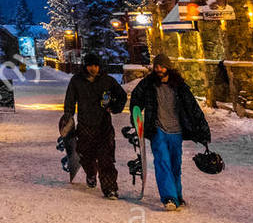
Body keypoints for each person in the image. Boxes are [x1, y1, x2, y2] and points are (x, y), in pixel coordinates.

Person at [130, 53, 210, 211]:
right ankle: (169, 198)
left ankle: (177, 195)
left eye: (162, 66)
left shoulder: (179, 86)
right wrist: (136, 118)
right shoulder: (148, 84)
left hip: (176, 131)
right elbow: (136, 99)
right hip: (157, 130)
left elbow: (192, 108)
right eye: (156, 66)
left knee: (175, 164)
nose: (159, 69)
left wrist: (203, 130)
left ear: (168, 67)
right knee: (162, 163)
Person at [61, 51, 128, 199]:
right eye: (90, 65)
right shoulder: (76, 81)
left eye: (96, 66)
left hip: (104, 126)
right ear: (85, 66)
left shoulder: (107, 81)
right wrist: (68, 118)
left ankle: (110, 188)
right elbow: (70, 101)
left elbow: (122, 96)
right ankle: (91, 174)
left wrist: (115, 107)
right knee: (85, 155)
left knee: (106, 158)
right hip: (85, 126)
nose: (93, 68)